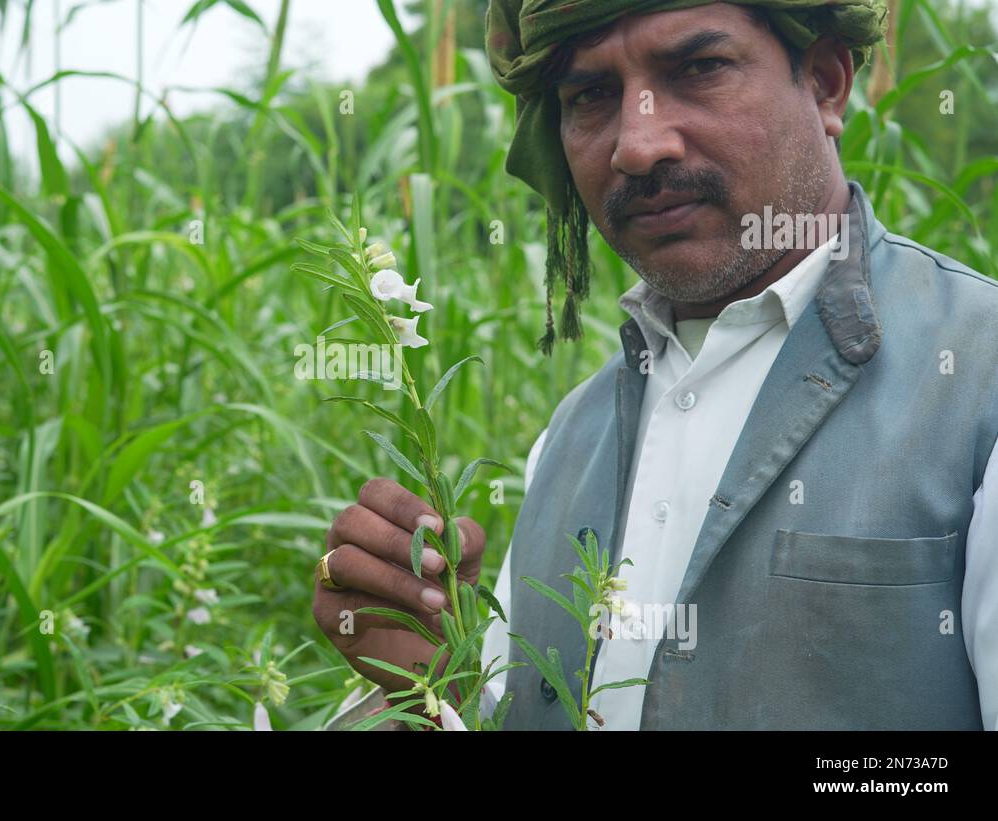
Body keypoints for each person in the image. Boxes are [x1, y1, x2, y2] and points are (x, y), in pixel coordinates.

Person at [312, 0, 997, 730]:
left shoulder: (973, 384)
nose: (638, 146)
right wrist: (422, 688)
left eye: (699, 69)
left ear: (827, 83)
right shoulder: (569, 439)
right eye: (590, 97)